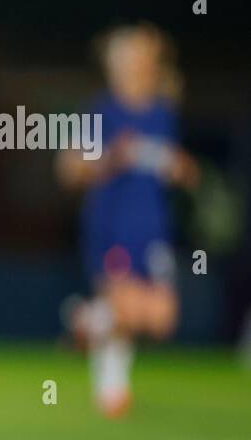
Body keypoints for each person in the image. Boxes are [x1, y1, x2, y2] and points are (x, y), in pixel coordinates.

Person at [57, 23, 199, 417]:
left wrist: (182, 170)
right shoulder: (102, 111)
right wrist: (107, 160)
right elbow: (68, 169)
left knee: (161, 319)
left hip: (153, 228)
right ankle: (112, 392)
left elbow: (178, 166)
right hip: (111, 225)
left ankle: (86, 318)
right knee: (121, 309)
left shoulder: (162, 114)